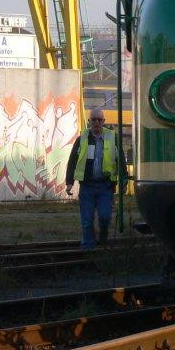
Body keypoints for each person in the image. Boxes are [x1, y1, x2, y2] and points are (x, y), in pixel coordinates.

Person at [65, 107, 123, 249]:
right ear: (89, 121)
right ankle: (88, 248)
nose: (96, 122)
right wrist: (69, 182)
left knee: (104, 216)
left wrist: (124, 179)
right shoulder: (82, 139)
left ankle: (103, 237)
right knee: (87, 220)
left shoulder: (112, 138)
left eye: (99, 119)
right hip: (87, 187)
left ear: (104, 121)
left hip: (106, 187)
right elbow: (72, 160)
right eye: (94, 119)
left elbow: (120, 159)